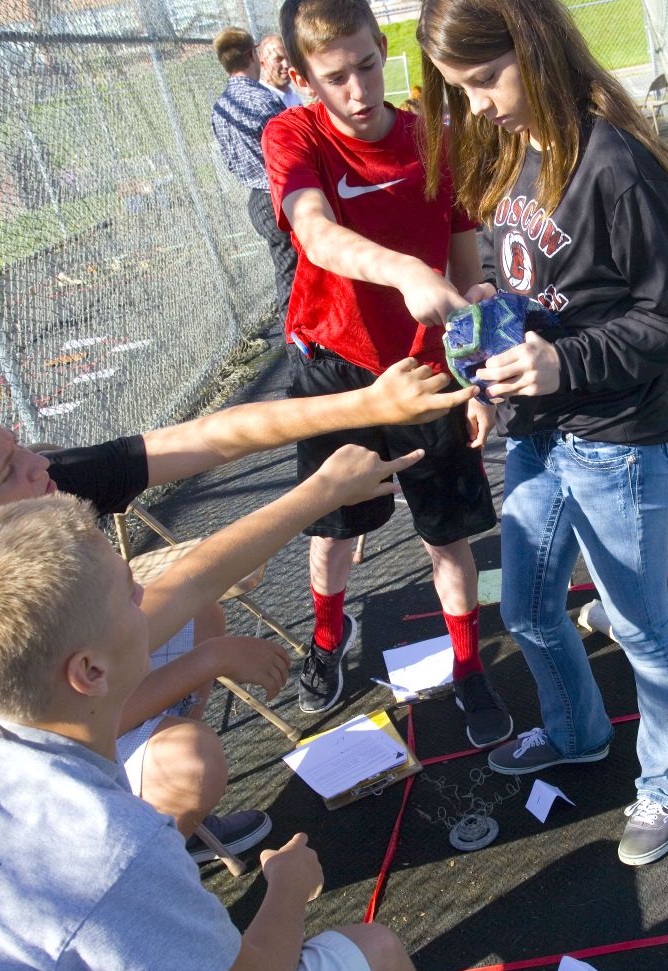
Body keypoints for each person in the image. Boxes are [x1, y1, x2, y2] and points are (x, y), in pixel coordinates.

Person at [0, 487, 431, 971]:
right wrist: (288, 889)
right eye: (128, 595)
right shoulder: (107, 851)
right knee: (374, 956)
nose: (146, 595)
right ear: (90, 671)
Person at [0, 362, 473, 861]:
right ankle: (148, 854)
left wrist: (365, 405)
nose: (42, 465)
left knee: (198, 620)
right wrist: (318, 496)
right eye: (10, 470)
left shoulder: (29, 495)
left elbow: (206, 438)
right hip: (13, 824)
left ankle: (163, 819)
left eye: (20, 447)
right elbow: (89, 713)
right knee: (190, 759)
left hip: (66, 720)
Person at [417, 0, 668, 867]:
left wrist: (559, 366)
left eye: (483, 81)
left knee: (637, 620)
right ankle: (578, 734)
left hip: (617, 441)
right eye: (458, 89)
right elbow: (536, 291)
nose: (476, 106)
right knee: (530, 610)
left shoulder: (613, 163)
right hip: (539, 434)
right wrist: (487, 361)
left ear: (532, 49)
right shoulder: (513, 152)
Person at [263, 0, 512, 748]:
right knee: (334, 529)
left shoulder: (437, 140)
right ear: (305, 79)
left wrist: (476, 376)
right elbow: (313, 228)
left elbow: (468, 268)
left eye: (368, 65)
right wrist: (403, 270)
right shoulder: (293, 135)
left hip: (424, 372)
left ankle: (468, 665)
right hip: (336, 372)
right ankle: (329, 636)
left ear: (384, 49)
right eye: (335, 77)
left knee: (449, 535)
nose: (359, 91)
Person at [210, 26, 298, 330]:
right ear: (252, 55)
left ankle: (300, 338)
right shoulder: (264, 100)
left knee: (287, 267)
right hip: (279, 193)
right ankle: (300, 343)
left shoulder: (220, 108)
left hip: (257, 199)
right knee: (296, 273)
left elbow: (231, 160)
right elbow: (287, 150)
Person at [259, 32, 306, 109]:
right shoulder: (261, 102)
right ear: (263, 64)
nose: (286, 65)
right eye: (278, 59)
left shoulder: (294, 98)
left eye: (288, 59)